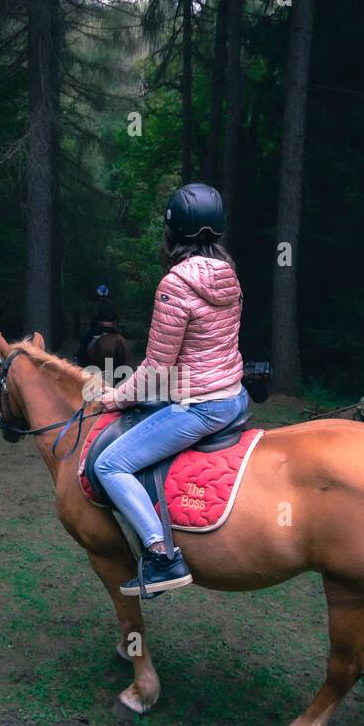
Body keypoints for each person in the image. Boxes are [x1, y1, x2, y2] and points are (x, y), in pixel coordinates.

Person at [92, 182, 249, 597]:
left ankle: (163, 557)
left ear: (171, 232)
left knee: (111, 465)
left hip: (201, 405)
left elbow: (156, 369)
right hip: (234, 394)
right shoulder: (228, 275)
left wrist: (114, 397)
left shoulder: (176, 284)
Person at [76, 285, 119, 363]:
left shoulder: (96, 304)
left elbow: (94, 317)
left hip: (99, 328)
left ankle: (80, 358)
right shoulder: (112, 304)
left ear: (98, 295)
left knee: (84, 340)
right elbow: (115, 318)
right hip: (111, 329)